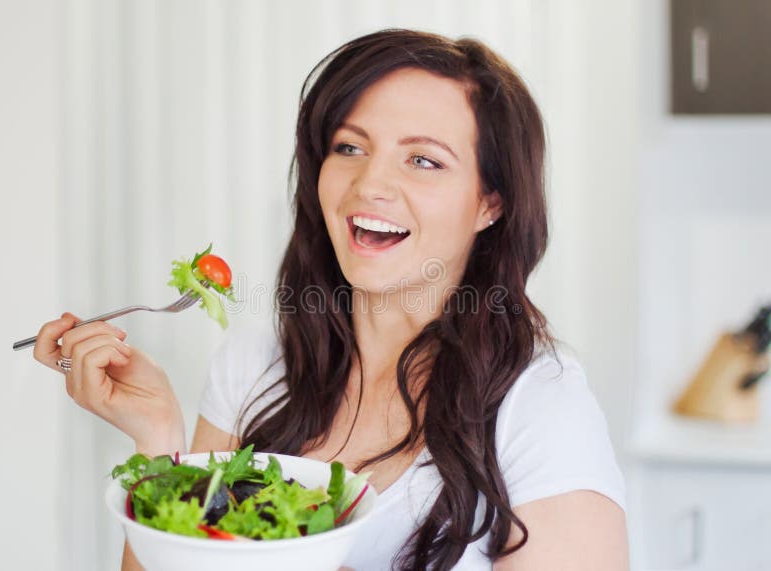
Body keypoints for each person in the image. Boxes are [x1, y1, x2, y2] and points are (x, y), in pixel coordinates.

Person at [33, 29, 628, 571]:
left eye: (423, 160)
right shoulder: (255, 363)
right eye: (349, 147)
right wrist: (162, 448)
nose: (369, 184)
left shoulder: (542, 407)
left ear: (489, 203)